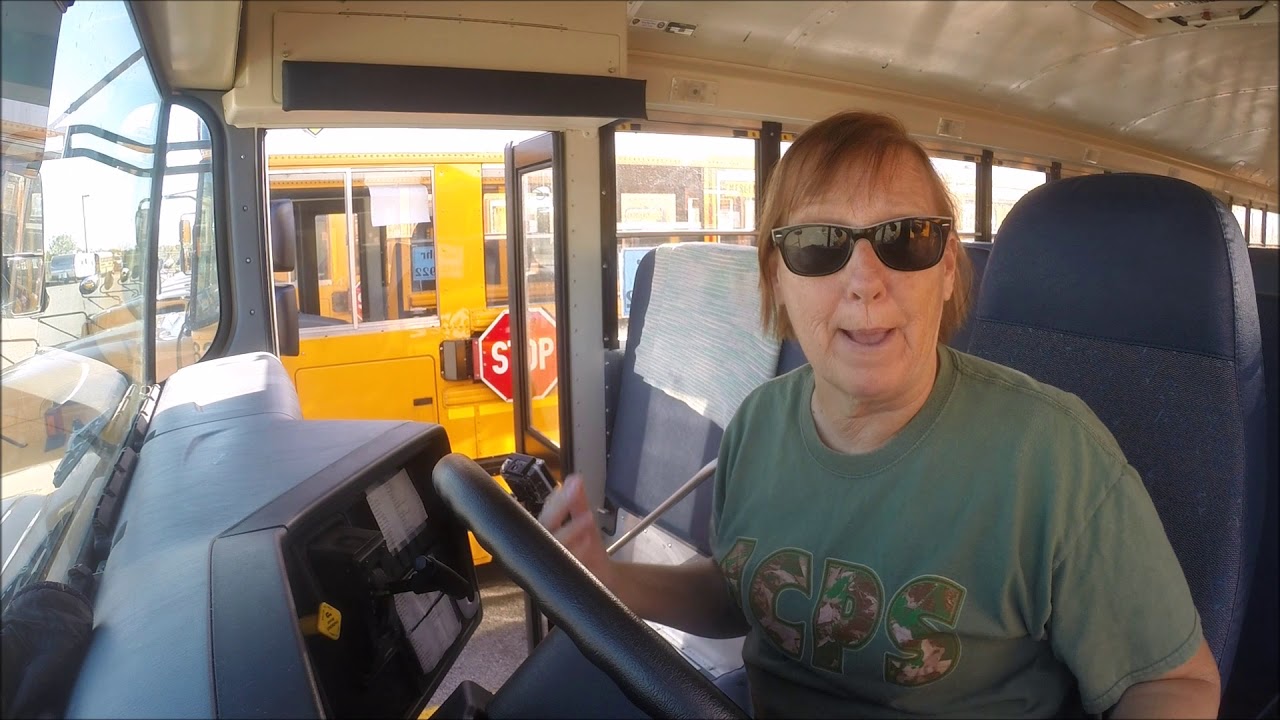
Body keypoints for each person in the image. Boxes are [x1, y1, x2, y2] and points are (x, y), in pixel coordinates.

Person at [539, 111, 1219, 718]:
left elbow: (1176, 685)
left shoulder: (1052, 454)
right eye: (817, 243)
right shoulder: (758, 422)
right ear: (776, 276)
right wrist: (610, 578)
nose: (865, 279)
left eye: (906, 237)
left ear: (947, 269)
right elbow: (748, 592)